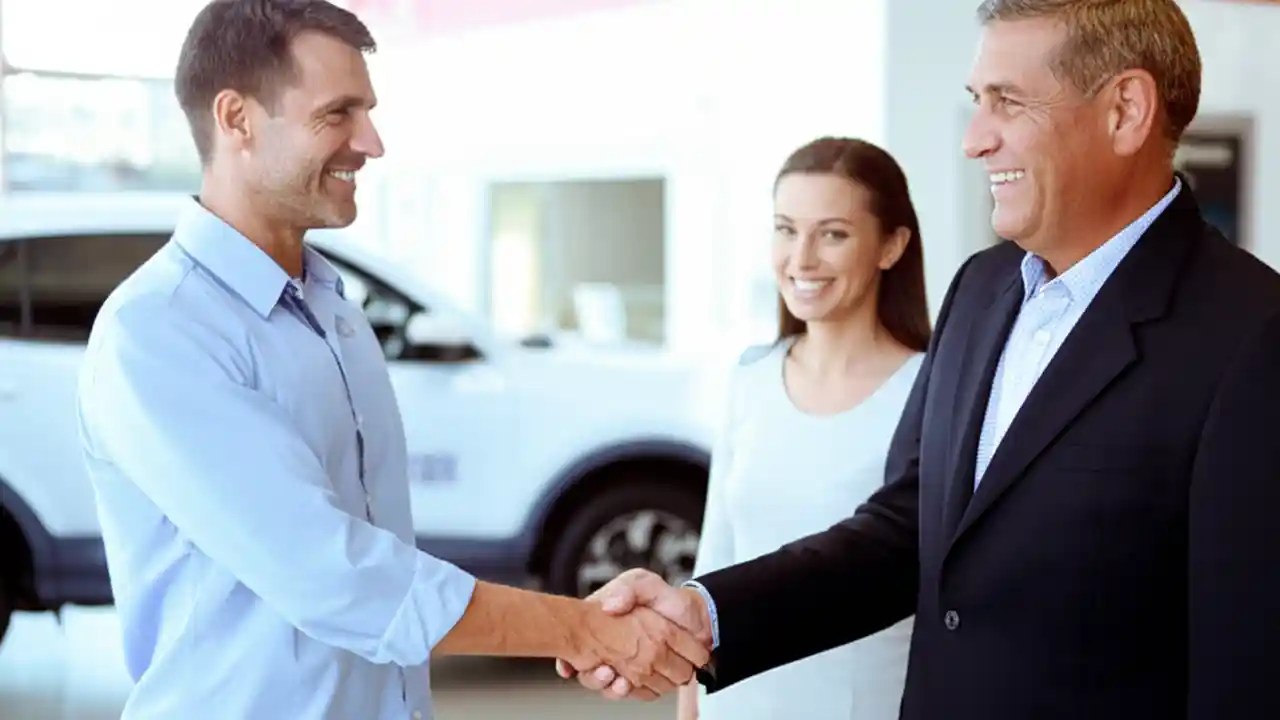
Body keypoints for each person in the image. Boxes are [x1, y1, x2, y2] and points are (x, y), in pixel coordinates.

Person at [563, 1, 1280, 718]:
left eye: (1007, 101)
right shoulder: (981, 288)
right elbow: (906, 533)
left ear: (1125, 109)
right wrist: (708, 613)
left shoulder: (1252, 333)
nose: (975, 140)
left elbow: (1247, 665)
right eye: (978, 102)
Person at [75, 2, 706, 719]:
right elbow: (337, 575)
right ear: (237, 119)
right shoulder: (161, 331)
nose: (370, 142)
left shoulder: (334, 311)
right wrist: (587, 630)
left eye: (366, 111)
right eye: (337, 113)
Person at [679, 136, 929, 719]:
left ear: (891, 246)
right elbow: (714, 559)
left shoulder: (934, 390)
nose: (801, 258)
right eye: (786, 229)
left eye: (833, 234)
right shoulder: (751, 378)